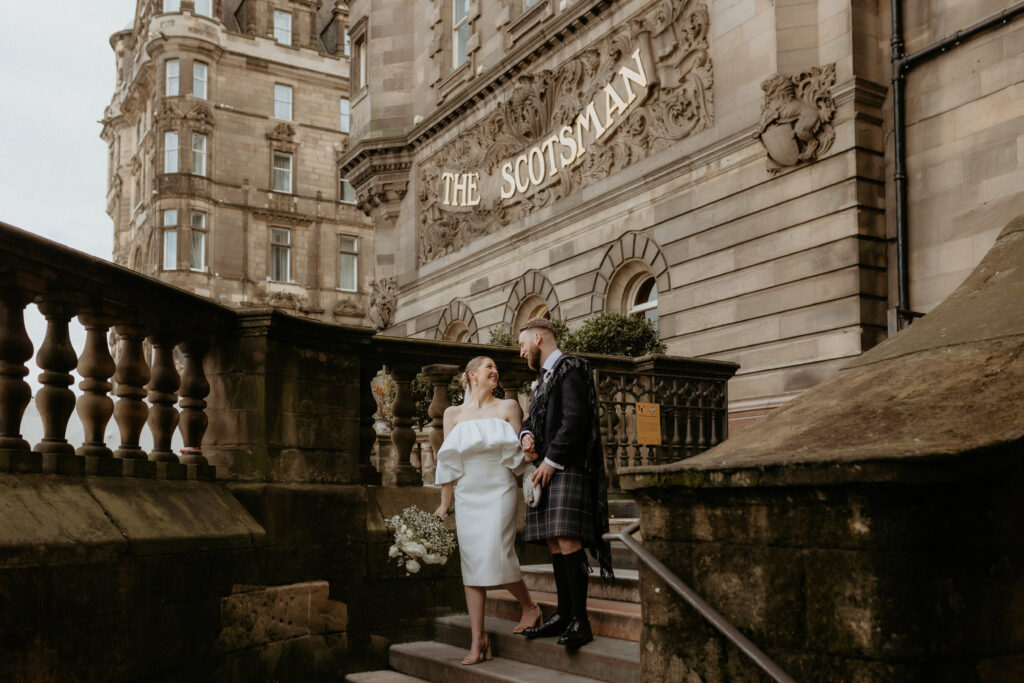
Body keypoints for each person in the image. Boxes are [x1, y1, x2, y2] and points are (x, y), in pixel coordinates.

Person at [433, 356, 544, 665]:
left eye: (496, 368)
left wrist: (530, 452)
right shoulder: (452, 413)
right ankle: (477, 639)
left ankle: (530, 606)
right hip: (468, 493)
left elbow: (518, 456)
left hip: (500, 490)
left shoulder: (508, 407)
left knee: (499, 553)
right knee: (471, 566)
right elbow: (448, 462)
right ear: (472, 375)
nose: (495, 371)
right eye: (489, 367)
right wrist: (445, 503)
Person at [517, 317, 613, 649]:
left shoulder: (571, 368)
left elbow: (575, 421)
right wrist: (527, 435)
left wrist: (551, 460)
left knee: (568, 540)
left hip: (567, 465)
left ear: (538, 338)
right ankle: (564, 614)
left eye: (522, 343)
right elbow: (531, 419)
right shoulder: (542, 379)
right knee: (554, 542)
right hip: (547, 465)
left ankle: (580, 621)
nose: (521, 352)